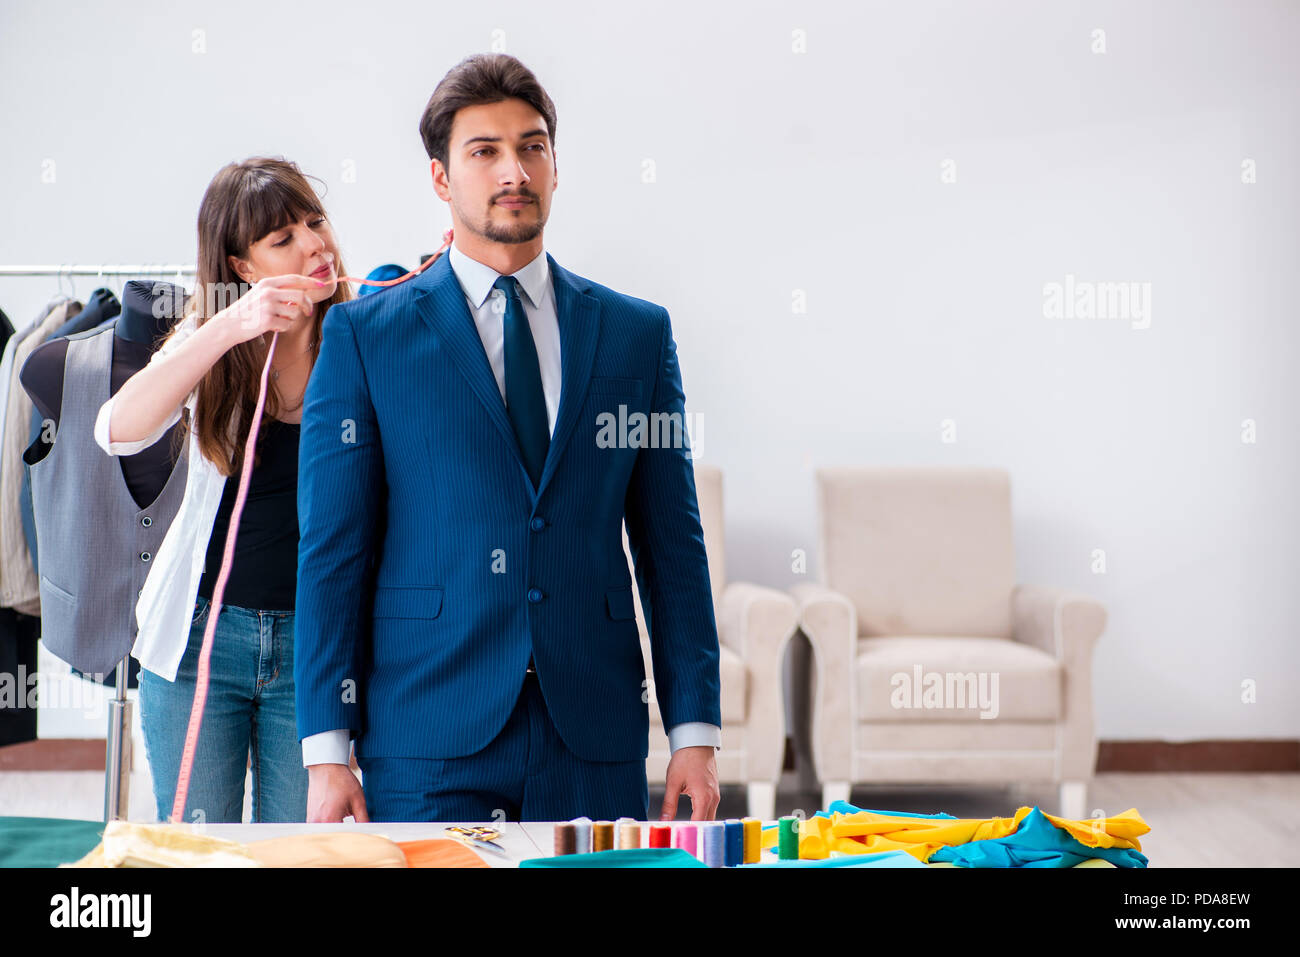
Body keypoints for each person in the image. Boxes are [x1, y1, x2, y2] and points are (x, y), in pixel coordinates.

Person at [297, 53, 723, 824]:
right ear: (441, 179)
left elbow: (672, 548)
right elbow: (334, 551)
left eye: (532, 147)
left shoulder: (636, 335)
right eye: (484, 151)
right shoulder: (365, 336)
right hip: (427, 730)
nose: (513, 170)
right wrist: (329, 751)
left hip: (591, 733)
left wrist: (694, 731)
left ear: (556, 168)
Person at [94, 157, 352, 823]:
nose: (314, 245)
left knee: (298, 854)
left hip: (314, 654)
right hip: (198, 644)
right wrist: (229, 326)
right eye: (283, 239)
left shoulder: (358, 341)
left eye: (314, 222)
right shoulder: (215, 347)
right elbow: (115, 430)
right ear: (243, 267)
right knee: (194, 852)